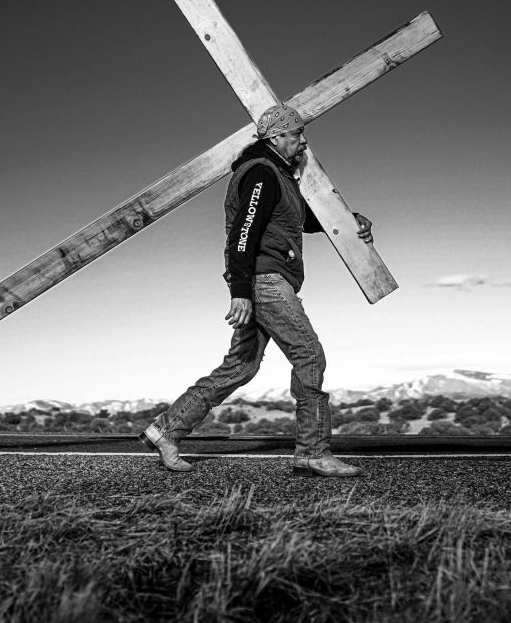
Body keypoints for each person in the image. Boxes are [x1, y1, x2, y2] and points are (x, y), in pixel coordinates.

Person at [139, 103, 373, 478]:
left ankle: (166, 430)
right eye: (297, 134)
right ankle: (313, 452)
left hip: (263, 281)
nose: (303, 141)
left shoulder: (278, 176)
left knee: (240, 366)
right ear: (277, 136)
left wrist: (351, 220)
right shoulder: (262, 174)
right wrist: (242, 291)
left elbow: (306, 219)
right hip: (264, 282)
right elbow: (243, 236)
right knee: (309, 355)